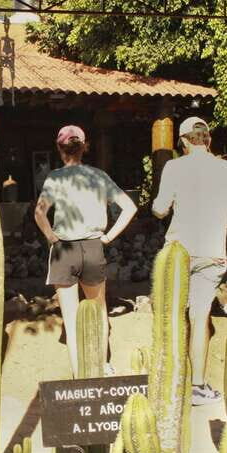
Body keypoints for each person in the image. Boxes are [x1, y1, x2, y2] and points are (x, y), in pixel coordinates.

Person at [152, 116, 227, 406]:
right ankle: (197, 386)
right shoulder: (226, 168)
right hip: (211, 250)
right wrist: (218, 221)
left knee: (172, 316)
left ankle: (170, 382)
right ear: (208, 139)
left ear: (183, 141)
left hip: (179, 250)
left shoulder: (173, 166)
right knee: (199, 318)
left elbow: (159, 209)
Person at [34, 125, 137, 378]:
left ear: (60, 149)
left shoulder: (55, 177)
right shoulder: (99, 176)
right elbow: (130, 208)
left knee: (70, 318)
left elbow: (39, 212)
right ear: (84, 147)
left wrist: (50, 236)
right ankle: (102, 365)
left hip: (63, 249)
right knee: (98, 310)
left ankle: (78, 374)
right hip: (93, 246)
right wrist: (108, 237)